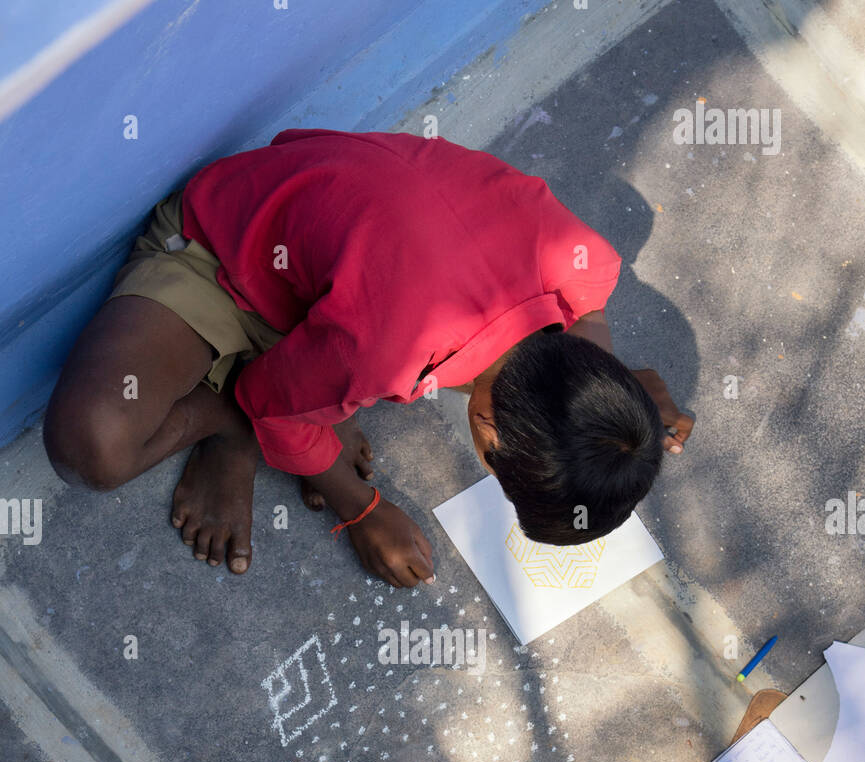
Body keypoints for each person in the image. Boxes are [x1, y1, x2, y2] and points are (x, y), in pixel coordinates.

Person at [44, 128, 693, 588]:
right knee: (95, 450)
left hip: (331, 272)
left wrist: (622, 412)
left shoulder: (588, 267)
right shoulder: (394, 351)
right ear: (488, 432)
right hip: (224, 249)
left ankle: (277, 399)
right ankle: (230, 418)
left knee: (331, 378)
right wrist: (362, 510)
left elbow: (585, 329)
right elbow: (281, 402)